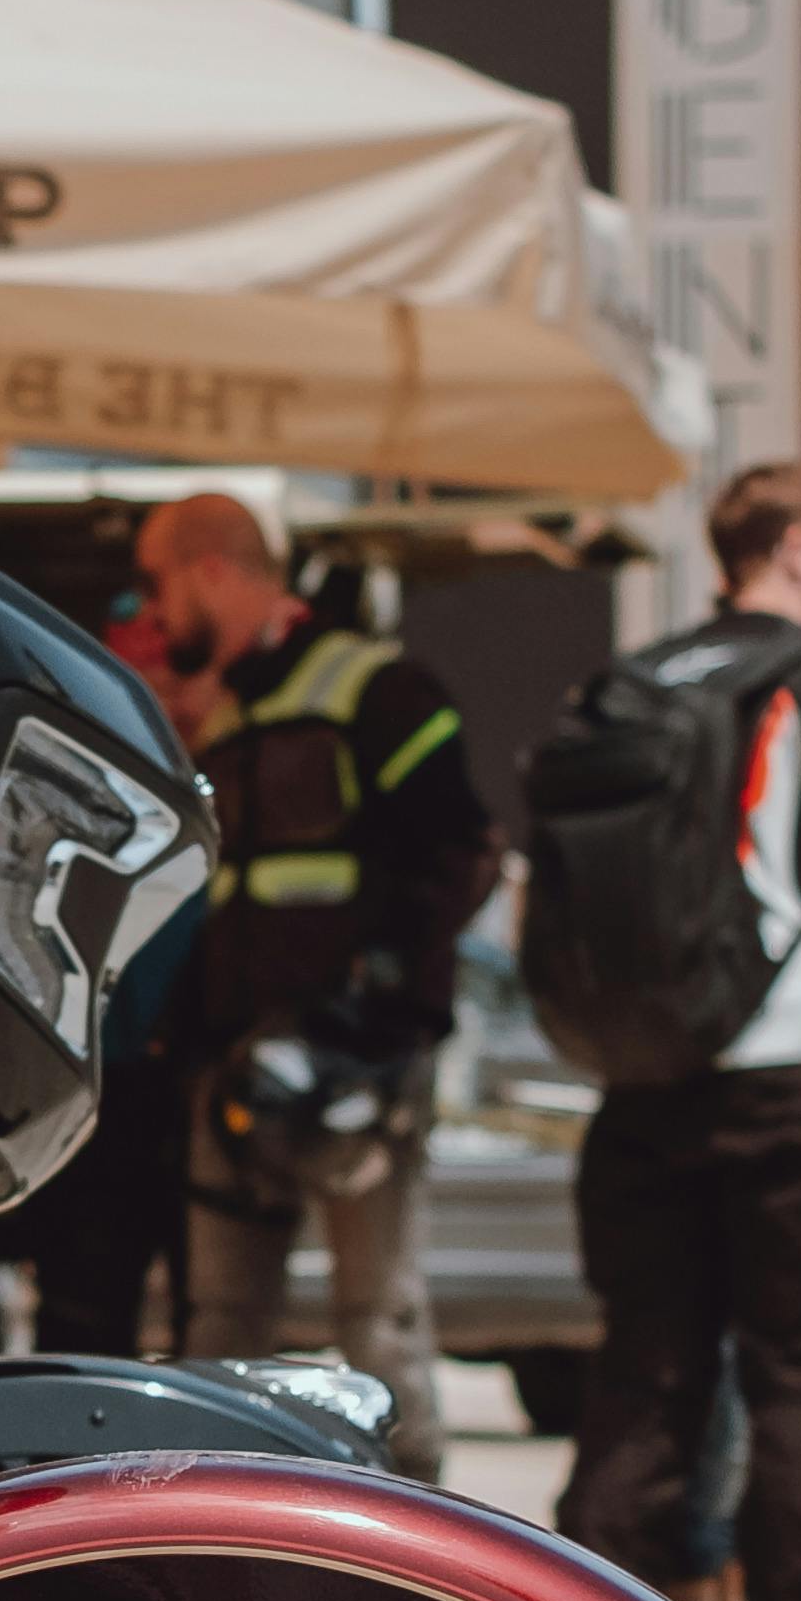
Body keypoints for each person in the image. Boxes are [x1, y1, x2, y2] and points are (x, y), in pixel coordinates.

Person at [552, 457, 801, 1601]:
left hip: (644, 1079)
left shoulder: (648, 676)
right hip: (790, 1066)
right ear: (795, 547)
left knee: (644, 1377)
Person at [137, 490, 494, 1477]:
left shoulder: (375, 688)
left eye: (156, 581)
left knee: (375, 1316)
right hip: (232, 1066)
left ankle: (426, 1552)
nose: (150, 611)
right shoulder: (225, 711)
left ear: (212, 570)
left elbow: (462, 857)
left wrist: (372, 1014)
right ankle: (211, 1544)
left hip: (355, 1069)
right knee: (216, 1327)